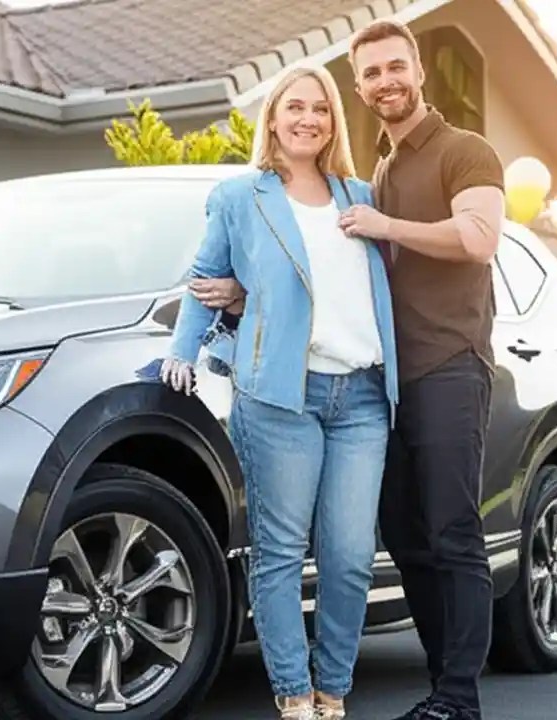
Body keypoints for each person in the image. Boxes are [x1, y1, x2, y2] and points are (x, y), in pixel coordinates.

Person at [189, 19, 506, 720]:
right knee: (405, 537)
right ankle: (437, 689)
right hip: (385, 384)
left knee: (451, 532)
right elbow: (329, 273)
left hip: (448, 366)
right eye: (372, 73)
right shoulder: (375, 176)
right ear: (359, 89)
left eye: (396, 66)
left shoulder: (462, 151)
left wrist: (384, 224)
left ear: (418, 70)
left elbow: (479, 238)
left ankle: (459, 697)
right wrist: (248, 291)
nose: (386, 81)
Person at [161, 65, 400, 720]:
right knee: (280, 554)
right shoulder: (241, 197)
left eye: (320, 108)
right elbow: (204, 281)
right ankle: (295, 695)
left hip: (362, 399)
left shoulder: (360, 197)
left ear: (333, 121)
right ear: (272, 117)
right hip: (278, 398)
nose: (308, 119)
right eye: (295, 107)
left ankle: (334, 690)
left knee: (350, 557)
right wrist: (182, 353)